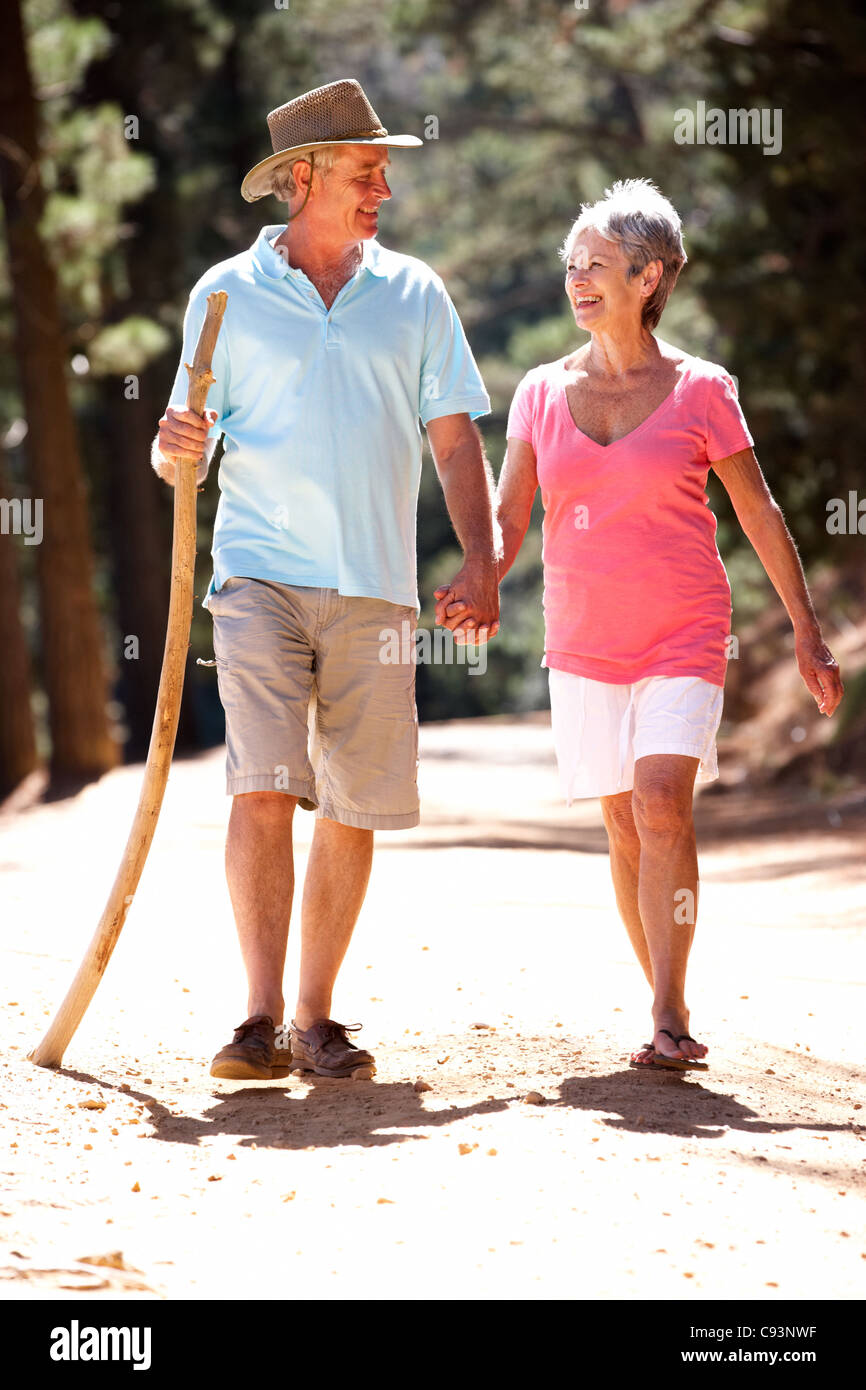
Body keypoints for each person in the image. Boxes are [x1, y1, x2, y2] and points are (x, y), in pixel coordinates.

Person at [451, 177, 843, 1070]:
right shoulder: (541, 395)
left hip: (684, 634)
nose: (578, 279)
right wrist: (482, 577)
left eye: (598, 264)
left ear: (651, 275)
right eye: (571, 265)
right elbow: (511, 522)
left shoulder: (703, 390)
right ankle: (659, 993)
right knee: (625, 825)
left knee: (664, 803)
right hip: (584, 641)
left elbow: (759, 513)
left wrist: (808, 633)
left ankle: (669, 1012)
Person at [152, 79, 499, 1081]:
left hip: (378, 587)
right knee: (263, 783)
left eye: (381, 169)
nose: (382, 185)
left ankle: (315, 1019)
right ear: (299, 179)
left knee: (351, 802)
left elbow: (451, 437)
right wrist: (171, 444)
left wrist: (477, 557)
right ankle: (256, 1018)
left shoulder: (415, 294)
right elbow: (186, 451)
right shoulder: (220, 296)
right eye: (364, 169)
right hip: (257, 574)